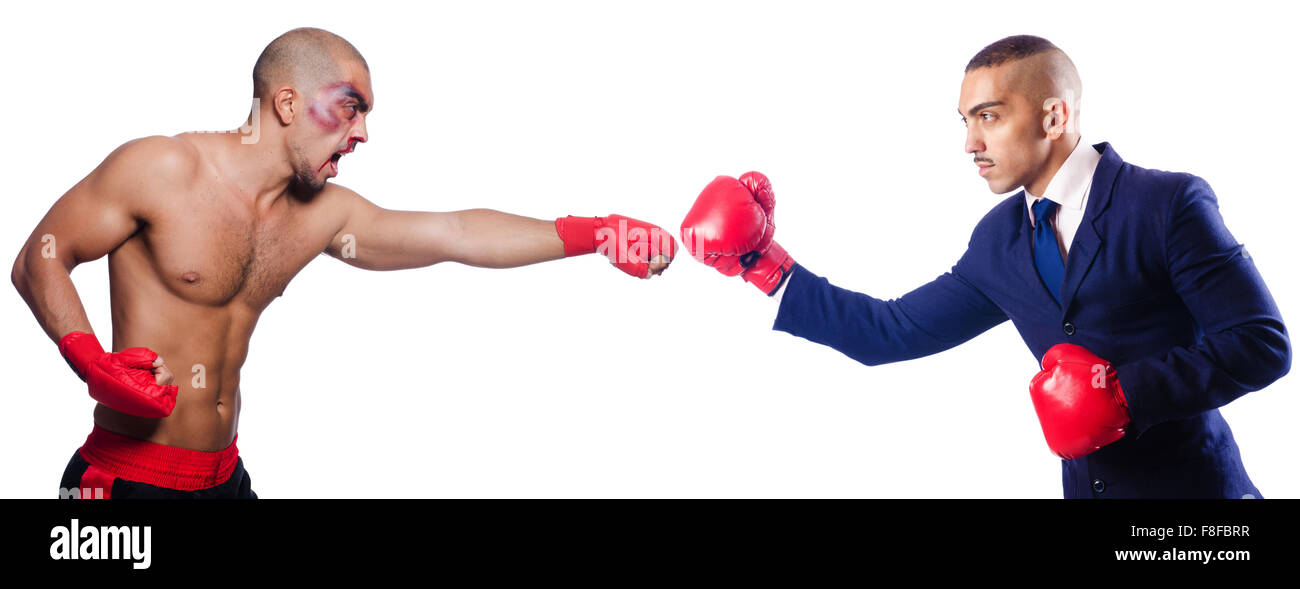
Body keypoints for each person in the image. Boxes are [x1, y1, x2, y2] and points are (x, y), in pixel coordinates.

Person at [12, 27, 674, 499]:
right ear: (289, 104)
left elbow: (456, 231)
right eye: (351, 107)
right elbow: (40, 256)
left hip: (224, 478)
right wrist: (89, 358)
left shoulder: (320, 215)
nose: (362, 133)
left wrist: (597, 232)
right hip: (124, 485)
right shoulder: (160, 167)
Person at [680, 35, 1290, 498]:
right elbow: (890, 332)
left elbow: (1261, 343)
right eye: (966, 120)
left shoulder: (1166, 204)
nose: (970, 143)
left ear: (1054, 118)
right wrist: (764, 263)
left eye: (989, 116)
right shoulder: (999, 241)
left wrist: (1126, 394)